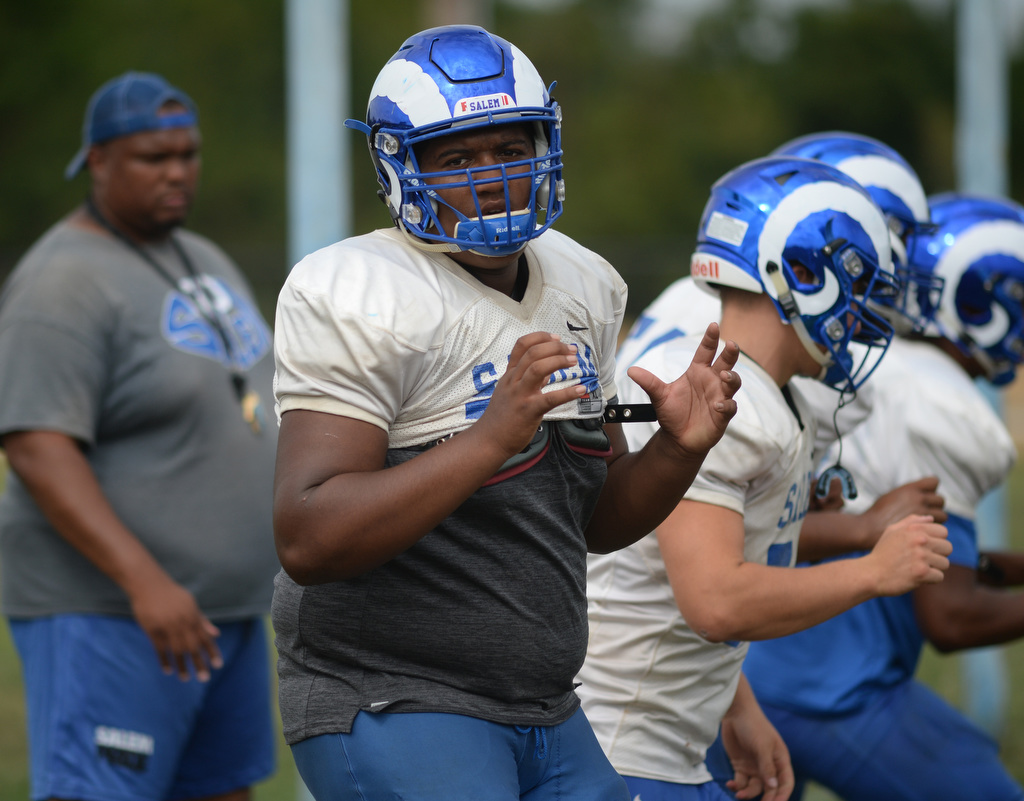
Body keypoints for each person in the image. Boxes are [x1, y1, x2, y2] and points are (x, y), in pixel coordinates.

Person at [270, 24, 742, 801]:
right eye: (457, 158)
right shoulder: (356, 291)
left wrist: (678, 450)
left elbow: (594, 521)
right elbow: (309, 534)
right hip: (392, 692)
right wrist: (490, 435)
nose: (493, 178)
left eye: (510, 148)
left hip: (546, 703)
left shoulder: (583, 282)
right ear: (401, 164)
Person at [576, 154, 953, 801]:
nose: (865, 314)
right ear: (801, 274)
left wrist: (736, 703)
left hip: (659, 744)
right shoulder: (730, 401)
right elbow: (715, 599)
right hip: (622, 750)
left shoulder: (767, 394)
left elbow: (684, 575)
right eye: (858, 283)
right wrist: (874, 568)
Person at [0, 72, 279, 801]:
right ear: (98, 160)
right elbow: (36, 444)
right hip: (115, 613)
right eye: (154, 157)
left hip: (225, 613)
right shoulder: (60, 282)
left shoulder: (204, 258)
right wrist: (146, 581)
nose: (178, 172)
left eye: (187, 154)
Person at [740, 191, 1024, 801]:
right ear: (979, 300)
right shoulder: (940, 400)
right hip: (831, 686)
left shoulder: (878, 366)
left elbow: (933, 553)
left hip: (762, 665)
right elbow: (951, 614)